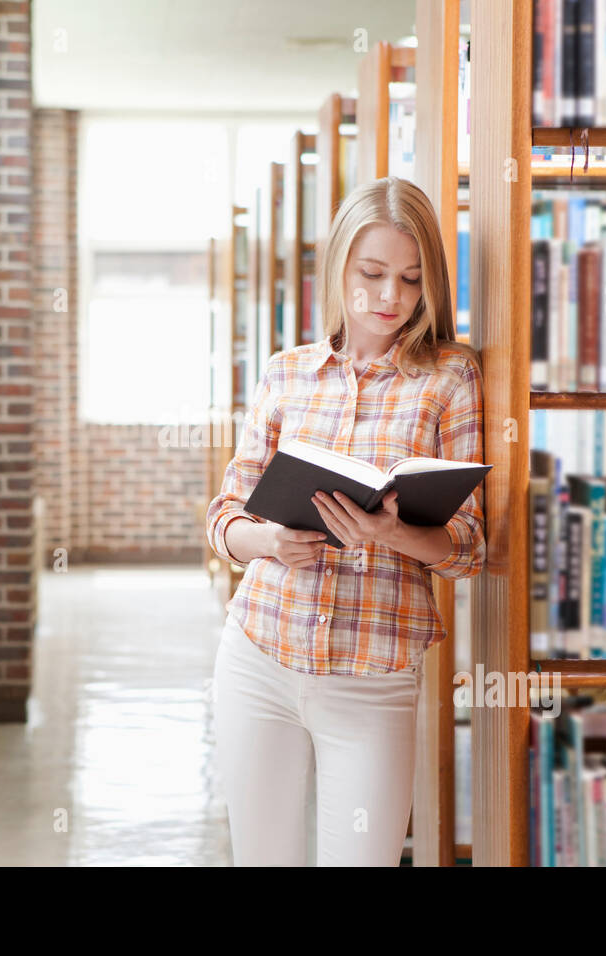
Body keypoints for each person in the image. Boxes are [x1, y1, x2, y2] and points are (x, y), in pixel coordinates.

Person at [205, 176, 486, 866]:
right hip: (257, 658)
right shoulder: (287, 373)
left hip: (373, 678)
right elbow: (223, 519)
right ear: (338, 268)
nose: (391, 297)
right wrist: (270, 541)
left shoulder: (451, 379)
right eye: (372, 274)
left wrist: (390, 532)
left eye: (411, 279)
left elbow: (472, 547)